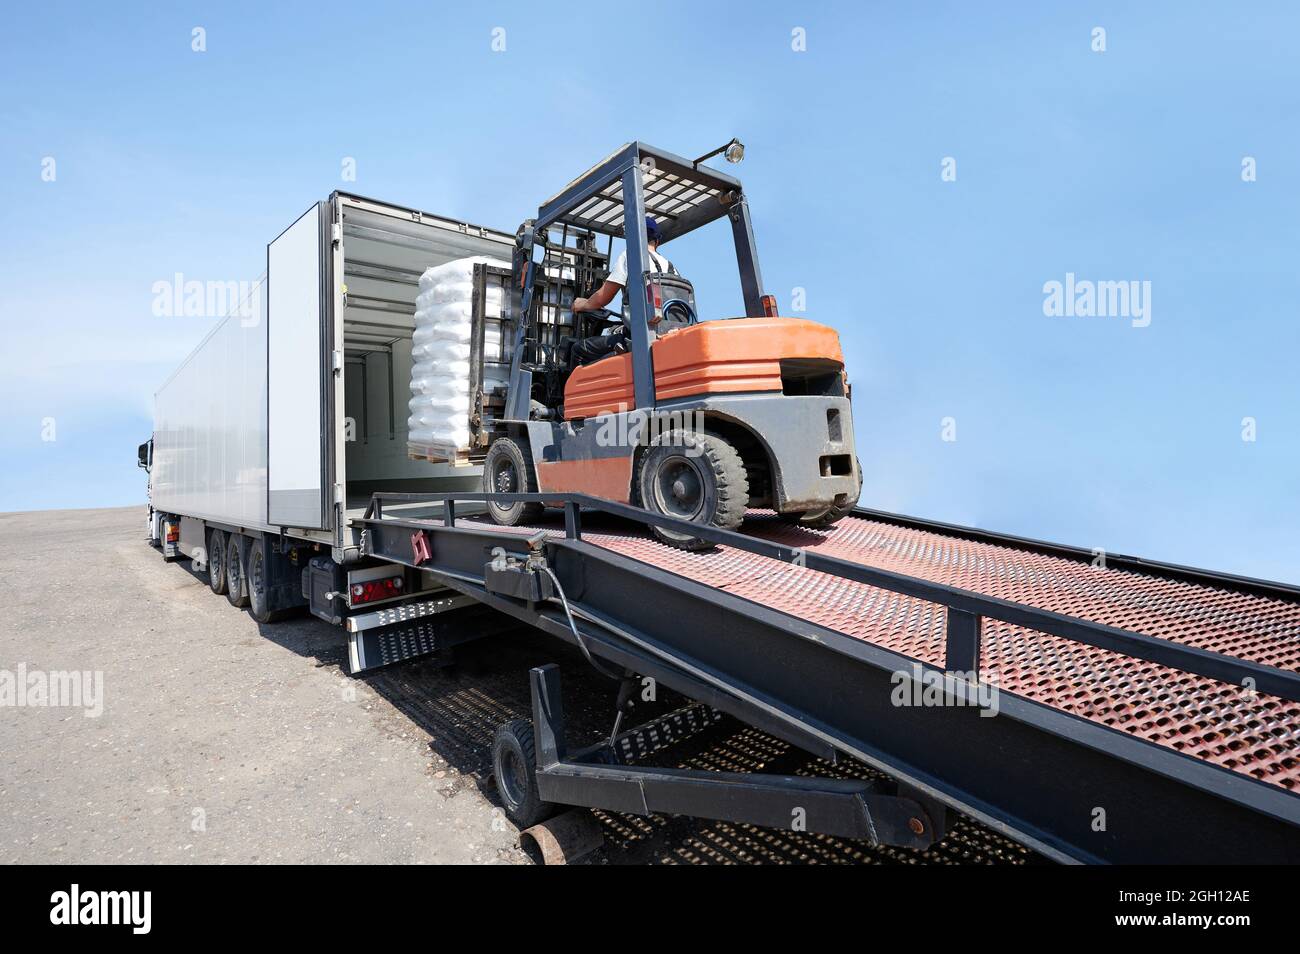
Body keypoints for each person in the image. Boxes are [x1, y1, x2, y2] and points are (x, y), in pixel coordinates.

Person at [569, 216, 676, 365]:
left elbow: (603, 298)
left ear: (634, 236)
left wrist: (583, 304)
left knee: (578, 349)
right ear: (657, 241)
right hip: (664, 334)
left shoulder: (631, 256)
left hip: (637, 337)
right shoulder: (671, 268)